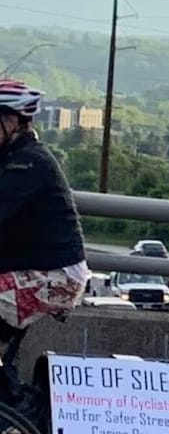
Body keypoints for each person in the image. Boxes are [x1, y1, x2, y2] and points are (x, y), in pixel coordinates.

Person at [0, 79, 90, 348]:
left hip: (55, 275)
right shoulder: (12, 157)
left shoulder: (28, 164)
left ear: (12, 122)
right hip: (32, 266)